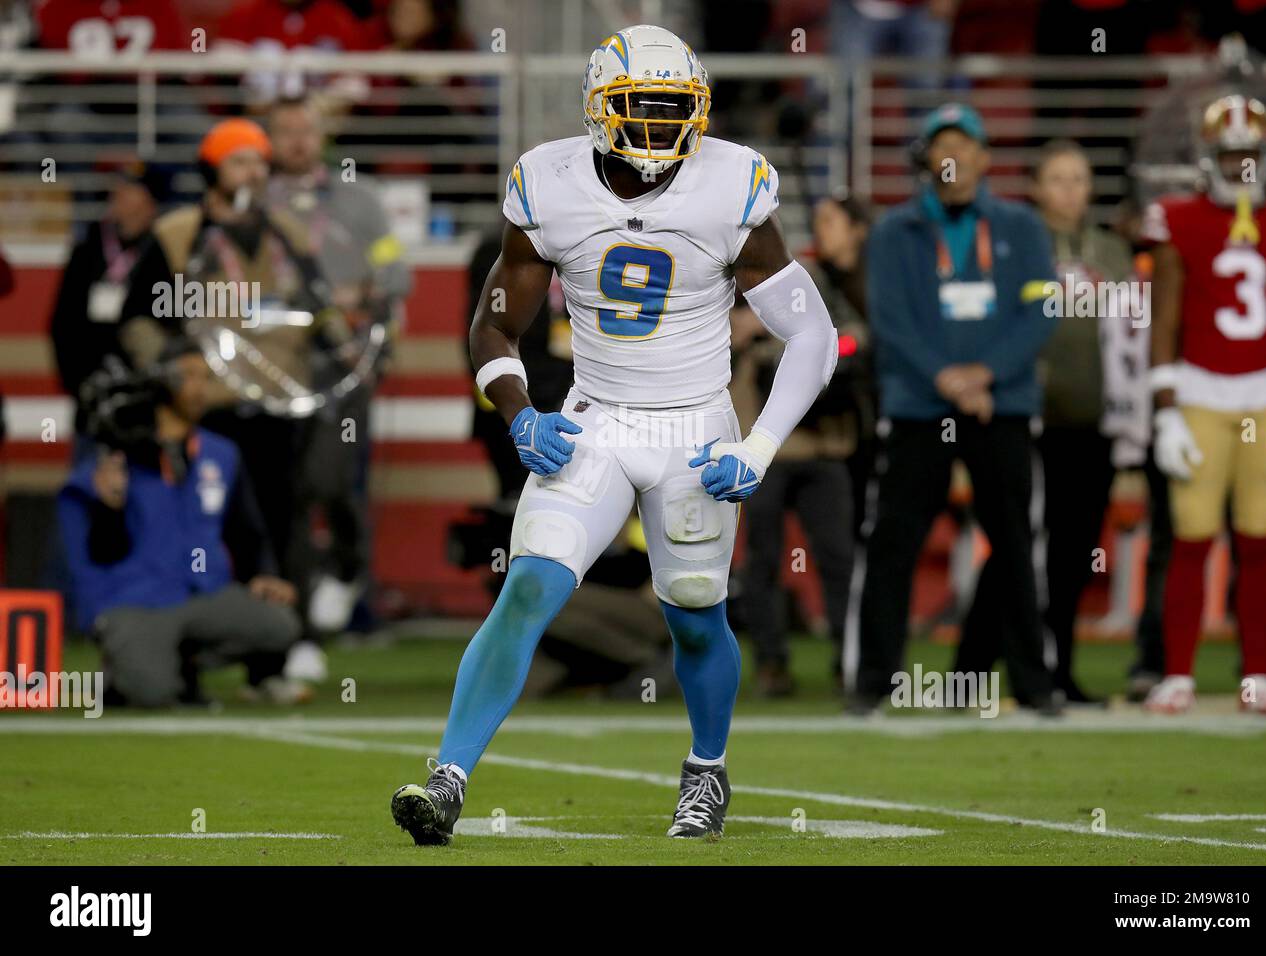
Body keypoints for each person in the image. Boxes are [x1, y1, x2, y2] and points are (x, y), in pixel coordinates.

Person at [390, 25, 838, 846]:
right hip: (595, 420)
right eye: (644, 108)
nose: (663, 127)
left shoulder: (731, 183)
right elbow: (494, 330)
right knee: (528, 587)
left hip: (697, 428)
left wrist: (758, 446)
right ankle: (447, 780)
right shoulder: (549, 184)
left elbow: (815, 337)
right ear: (601, 108)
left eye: (677, 109)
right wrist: (522, 415)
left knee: (696, 614)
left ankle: (706, 771)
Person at [845, 103, 1061, 715]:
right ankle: (872, 684)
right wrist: (951, 379)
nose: (955, 162)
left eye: (965, 150)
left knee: (1015, 542)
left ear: (985, 160)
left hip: (1001, 403)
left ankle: (1033, 684)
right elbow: (891, 319)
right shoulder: (894, 231)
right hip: (920, 406)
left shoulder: (1021, 226)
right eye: (943, 150)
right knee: (894, 543)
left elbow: (1041, 308)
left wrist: (985, 373)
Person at [118, 118, 332, 584]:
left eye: (259, 162)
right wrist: (172, 370)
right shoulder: (177, 234)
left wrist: (345, 347)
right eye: (239, 162)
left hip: (280, 404)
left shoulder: (288, 234)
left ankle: (288, 636)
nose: (253, 173)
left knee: (285, 517)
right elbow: (137, 320)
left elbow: (320, 309)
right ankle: (202, 617)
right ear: (211, 170)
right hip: (208, 406)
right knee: (209, 519)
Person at [960, 141, 1132, 704]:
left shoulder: (1114, 252)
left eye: (1079, 179)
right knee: (1014, 544)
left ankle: (1058, 667)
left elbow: (1134, 339)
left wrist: (1134, 420)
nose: (1069, 190)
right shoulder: (1011, 242)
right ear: (1035, 186)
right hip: (1024, 415)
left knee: (1074, 551)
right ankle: (972, 669)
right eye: (1057, 179)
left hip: (1091, 420)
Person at [1145, 95, 1266, 714]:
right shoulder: (1178, 218)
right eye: (1231, 155)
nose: (1241, 167)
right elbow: (1165, 316)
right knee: (1191, 537)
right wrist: (1164, 407)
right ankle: (1177, 672)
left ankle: (1256, 674)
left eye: (1250, 156)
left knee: (1260, 538)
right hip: (1202, 388)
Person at [57, 338, 303, 707]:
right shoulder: (117, 454)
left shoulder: (220, 454)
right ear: (161, 382)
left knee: (279, 624)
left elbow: (245, 531)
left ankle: (185, 663)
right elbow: (98, 551)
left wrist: (263, 573)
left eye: (205, 377)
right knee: (152, 693)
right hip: (135, 599)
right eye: (189, 376)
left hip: (202, 592)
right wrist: (109, 507)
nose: (200, 387)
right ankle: (125, 670)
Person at [266, 95, 411, 678]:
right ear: (269, 138)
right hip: (274, 365)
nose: (298, 140)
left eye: (307, 129)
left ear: (322, 134)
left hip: (344, 361)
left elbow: (393, 276)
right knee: (289, 498)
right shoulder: (257, 204)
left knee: (331, 481)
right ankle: (297, 631)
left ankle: (350, 571)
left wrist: (359, 311)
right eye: (286, 130)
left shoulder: (360, 201)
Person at [733, 195, 871, 696]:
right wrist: (740, 332)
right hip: (762, 447)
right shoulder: (733, 268)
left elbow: (854, 338)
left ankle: (848, 658)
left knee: (837, 557)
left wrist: (777, 339)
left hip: (823, 446)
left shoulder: (826, 279)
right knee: (763, 561)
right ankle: (772, 663)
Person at [49, 161, 172, 442]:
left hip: (145, 399)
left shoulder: (162, 256)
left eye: (130, 191)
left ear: (150, 203)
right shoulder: (87, 253)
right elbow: (62, 323)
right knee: (89, 478)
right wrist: (77, 382)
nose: (119, 197)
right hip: (91, 395)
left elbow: (170, 323)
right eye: (118, 191)